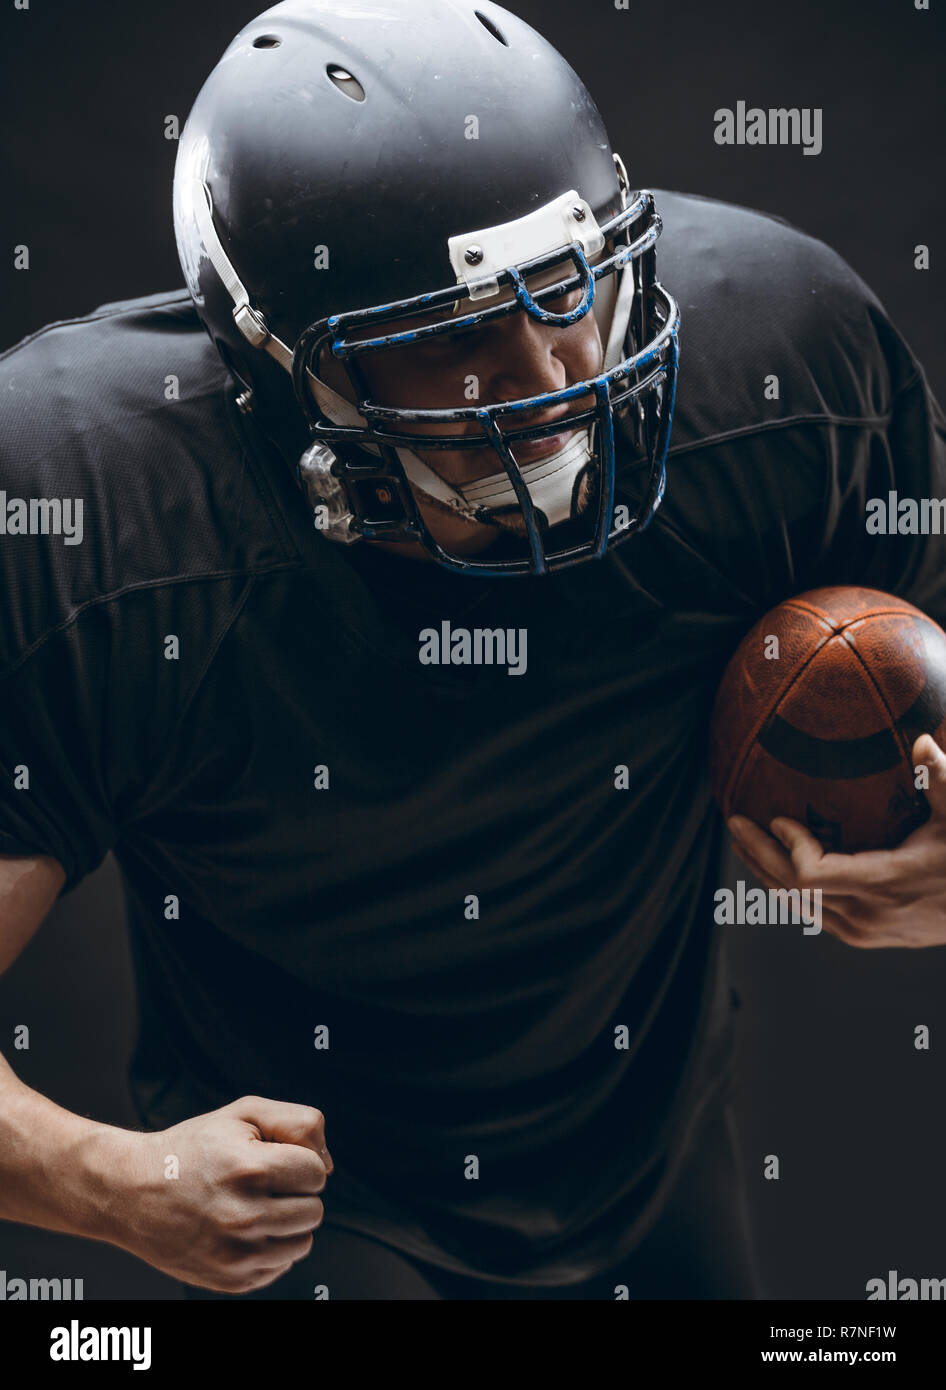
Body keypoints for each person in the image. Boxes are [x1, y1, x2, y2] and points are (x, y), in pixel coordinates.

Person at [2, 0, 946, 1302]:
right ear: (279, 375)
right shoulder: (106, 522)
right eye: (446, 339)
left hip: (646, 1153)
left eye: (561, 291)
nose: (549, 386)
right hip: (315, 1198)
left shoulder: (779, 368)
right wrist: (112, 1181)